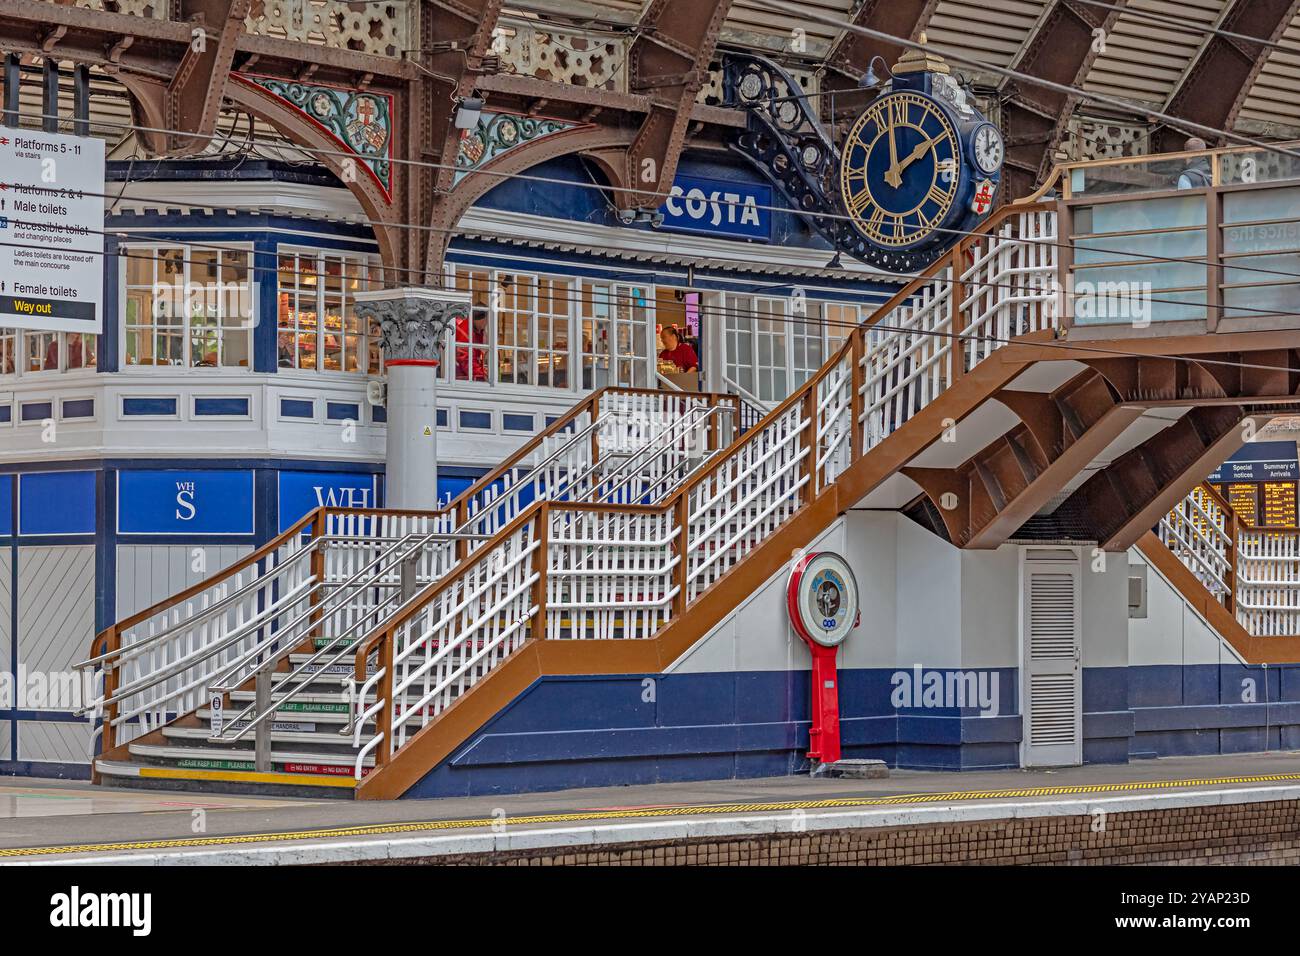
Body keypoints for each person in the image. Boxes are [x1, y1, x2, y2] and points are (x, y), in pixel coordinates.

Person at [455, 309, 489, 382]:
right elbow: (466, 361)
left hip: (467, 376)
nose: (486, 324)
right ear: (483, 319)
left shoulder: (476, 330)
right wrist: (481, 375)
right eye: (487, 321)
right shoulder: (466, 332)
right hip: (462, 379)